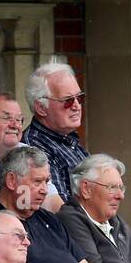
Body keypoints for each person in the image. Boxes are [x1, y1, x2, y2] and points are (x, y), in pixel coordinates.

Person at [0, 145, 108, 263]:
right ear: (11, 181)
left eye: (46, 182)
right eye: (37, 181)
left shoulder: (49, 218)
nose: (45, 190)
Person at [58, 154, 131, 263]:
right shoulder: (71, 219)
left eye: (121, 188)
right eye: (112, 187)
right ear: (86, 189)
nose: (121, 196)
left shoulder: (114, 220)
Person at [0, 90, 64, 209]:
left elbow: (52, 201)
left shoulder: (24, 150)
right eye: (6, 118)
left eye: (19, 119)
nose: (15, 125)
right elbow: (1, 203)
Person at [22, 62, 89, 197]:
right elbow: (60, 210)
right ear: (41, 108)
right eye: (68, 101)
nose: (77, 106)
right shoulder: (35, 148)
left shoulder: (68, 138)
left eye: (80, 98)